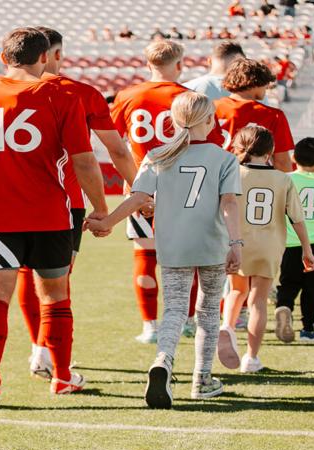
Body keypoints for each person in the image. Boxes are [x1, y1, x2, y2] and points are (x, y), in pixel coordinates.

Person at [0, 28, 109, 406]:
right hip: (50, 213)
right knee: (55, 296)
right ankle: (63, 376)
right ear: (44, 58)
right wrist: (101, 209)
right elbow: (84, 161)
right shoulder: (62, 96)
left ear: (5, 57)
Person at [88, 92, 241, 408]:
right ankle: (202, 379)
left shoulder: (157, 155)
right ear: (211, 120)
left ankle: (163, 359)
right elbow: (227, 204)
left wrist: (109, 222)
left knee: (173, 309)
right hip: (211, 243)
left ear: (173, 120)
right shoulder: (224, 158)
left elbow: (138, 197)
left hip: (172, 244)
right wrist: (236, 243)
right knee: (208, 310)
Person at [20, 26, 138, 380]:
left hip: (14, 199)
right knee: (56, 282)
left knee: (24, 278)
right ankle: (52, 358)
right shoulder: (81, 92)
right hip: (64, 202)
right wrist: (136, 190)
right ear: (54, 54)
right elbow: (116, 148)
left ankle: (37, 351)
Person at [110, 39, 226, 344]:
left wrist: (137, 185)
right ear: (180, 65)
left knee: (144, 256)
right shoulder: (192, 98)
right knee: (187, 257)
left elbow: (114, 143)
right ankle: (187, 319)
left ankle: (149, 325)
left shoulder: (127, 96)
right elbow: (212, 144)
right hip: (187, 189)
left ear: (148, 65)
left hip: (141, 185)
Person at [219, 125, 312, 373]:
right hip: (268, 246)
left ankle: (227, 326)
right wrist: (307, 249)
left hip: (235, 241)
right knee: (258, 299)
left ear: (238, 146)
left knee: (236, 291)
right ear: (270, 151)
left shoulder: (232, 173)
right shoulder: (283, 178)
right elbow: (297, 219)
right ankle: (251, 358)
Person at [273, 137, 314, 343]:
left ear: (294, 158)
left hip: (290, 241)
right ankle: (308, 329)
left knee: (288, 282)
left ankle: (283, 306)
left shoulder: (286, 179)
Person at [213, 58, 294, 172]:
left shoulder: (210, 108)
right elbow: (282, 163)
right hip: (254, 181)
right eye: (266, 83)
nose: (267, 88)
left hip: (215, 176)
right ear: (255, 82)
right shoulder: (272, 115)